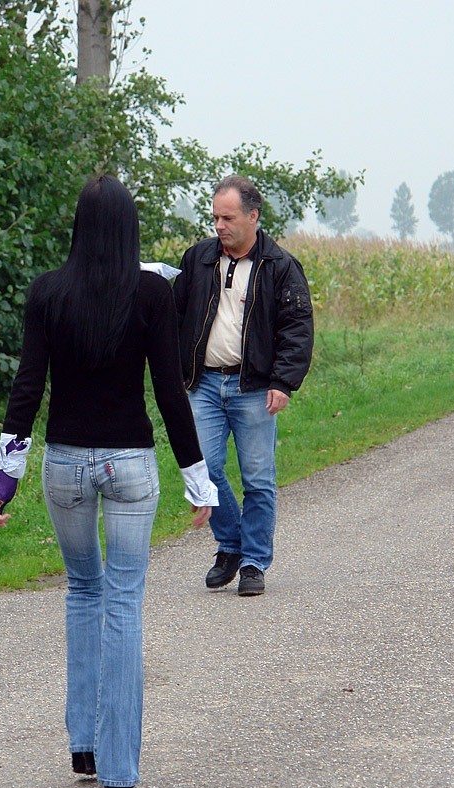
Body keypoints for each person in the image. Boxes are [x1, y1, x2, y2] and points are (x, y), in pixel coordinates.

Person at [0, 175, 218, 788]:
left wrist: (5, 478)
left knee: (83, 592)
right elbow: (170, 392)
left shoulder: (48, 293)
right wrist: (200, 480)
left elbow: (26, 389)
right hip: (130, 468)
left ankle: (83, 746)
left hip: (63, 467)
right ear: (130, 228)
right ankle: (119, 767)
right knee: (123, 601)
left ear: (80, 227)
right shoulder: (151, 294)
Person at [173, 175, 314, 597]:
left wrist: (284, 381)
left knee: (258, 478)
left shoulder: (281, 267)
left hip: (254, 388)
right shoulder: (197, 259)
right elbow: (172, 314)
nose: (219, 225)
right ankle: (232, 545)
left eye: (228, 217)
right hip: (203, 385)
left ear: (253, 216)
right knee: (205, 469)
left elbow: (298, 328)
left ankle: (253, 562)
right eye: (215, 216)